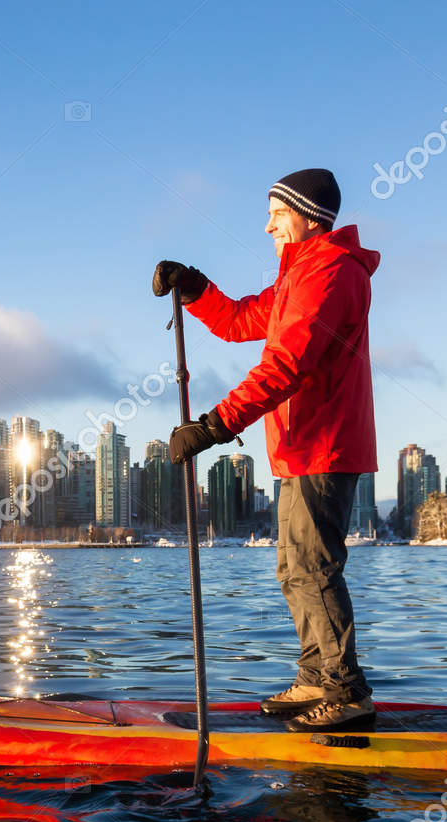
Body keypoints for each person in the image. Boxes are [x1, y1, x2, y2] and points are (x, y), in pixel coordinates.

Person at [154, 167, 379, 731]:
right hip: (302, 448)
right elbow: (239, 321)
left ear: (307, 217)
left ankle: (346, 691)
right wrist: (195, 286)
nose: (267, 225)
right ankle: (316, 678)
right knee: (293, 567)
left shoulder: (329, 273)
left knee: (313, 567)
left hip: (323, 445)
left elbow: (285, 366)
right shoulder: (300, 277)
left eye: (276, 214)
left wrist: (213, 427)